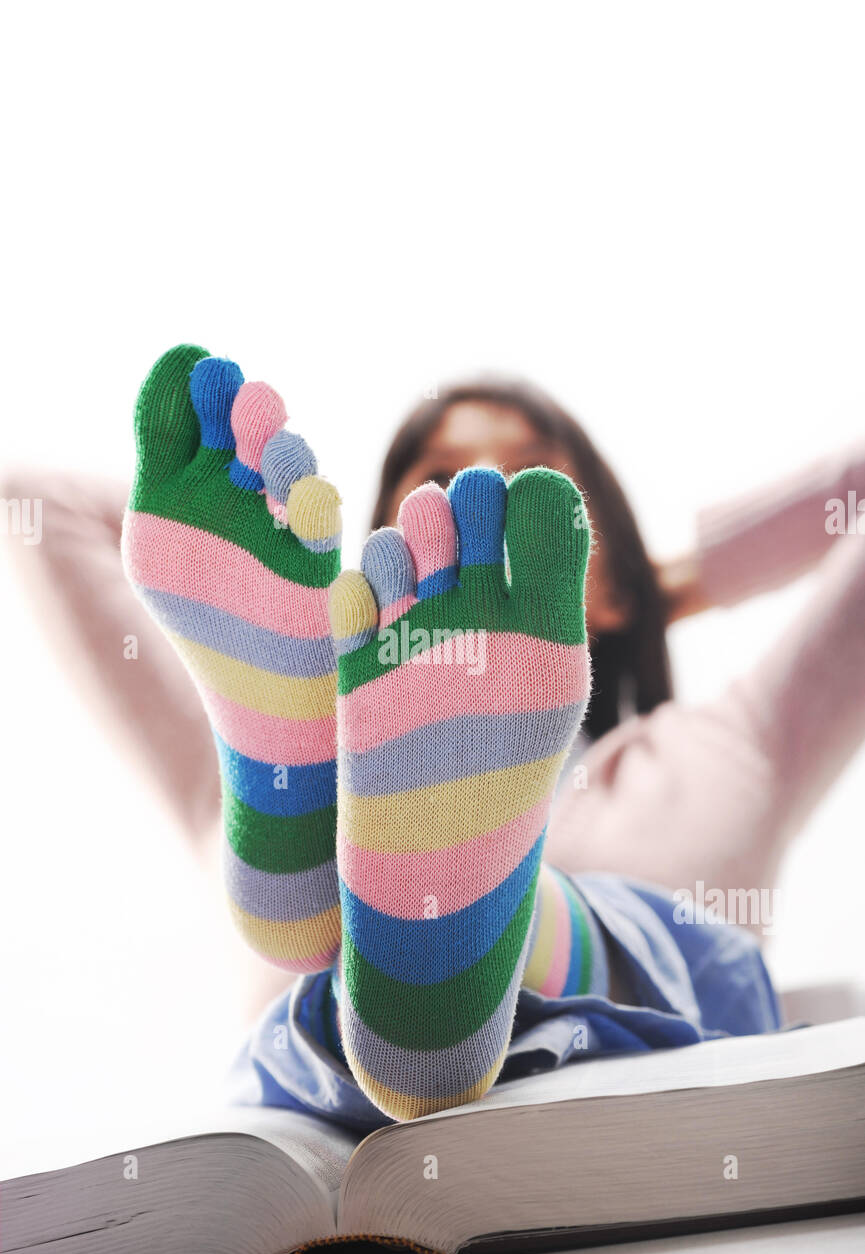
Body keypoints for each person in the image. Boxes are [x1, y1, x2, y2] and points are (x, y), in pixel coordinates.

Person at [6, 348, 863, 1126]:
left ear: (604, 569)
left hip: (649, 1072)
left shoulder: (737, 743)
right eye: (439, 478)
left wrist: (661, 582)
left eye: (527, 473)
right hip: (334, 1113)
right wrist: (282, 578)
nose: (474, 497)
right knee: (303, 832)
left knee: (592, 919)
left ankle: (401, 932)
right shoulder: (272, 734)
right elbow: (32, 501)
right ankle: (399, 951)